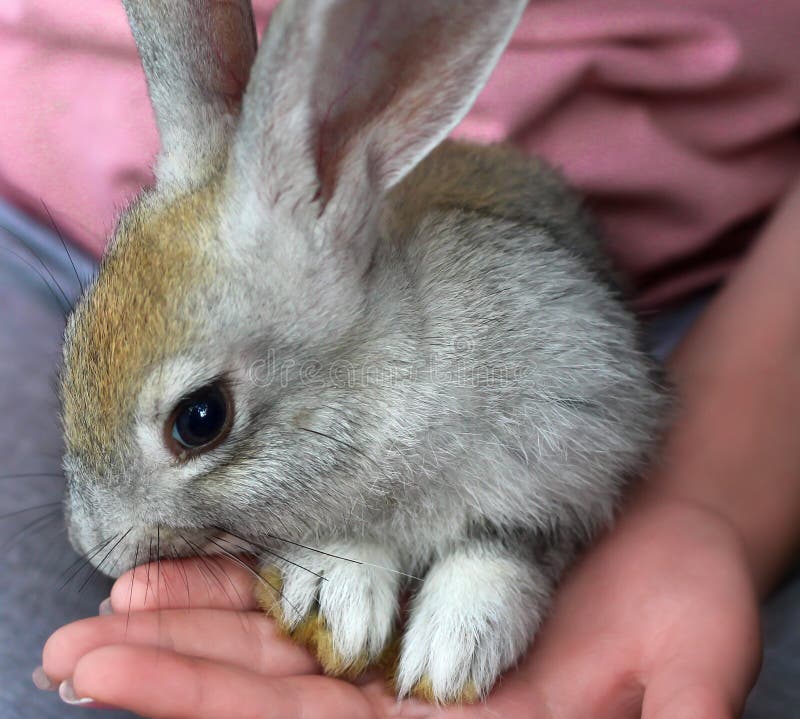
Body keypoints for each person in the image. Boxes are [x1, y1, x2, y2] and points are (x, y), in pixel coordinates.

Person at [2, 1, 798, 717]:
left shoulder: (497, 343)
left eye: (198, 420)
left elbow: (584, 444)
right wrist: (324, 545)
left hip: (731, 289)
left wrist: (703, 497)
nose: (95, 539)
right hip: (37, 217)